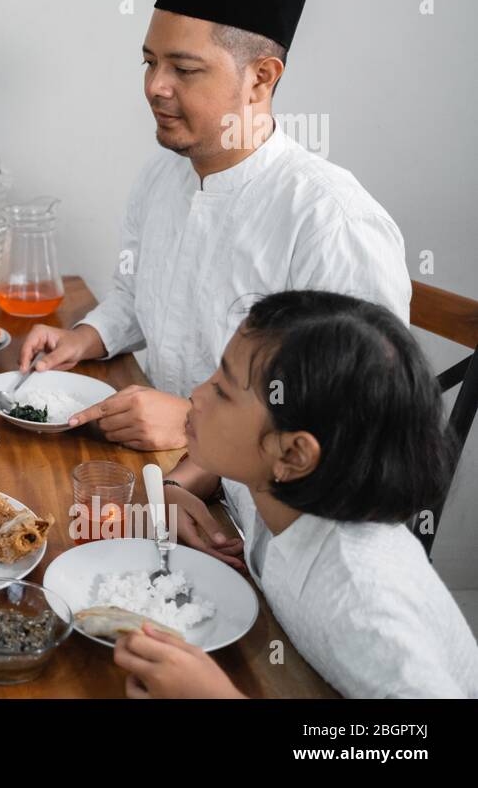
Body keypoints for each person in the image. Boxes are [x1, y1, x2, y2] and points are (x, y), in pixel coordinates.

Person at [18, 0, 410, 470]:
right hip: (168, 472)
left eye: (183, 68)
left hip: (267, 515)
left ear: (261, 79)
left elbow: (364, 423)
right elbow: (139, 295)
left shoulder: (330, 220)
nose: (155, 86)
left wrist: (189, 422)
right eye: (150, 62)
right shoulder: (163, 175)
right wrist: (87, 336)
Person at [113, 290, 477, 698]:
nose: (196, 394)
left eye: (222, 389)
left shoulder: (363, 603)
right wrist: (173, 487)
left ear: (293, 453)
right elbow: (220, 475)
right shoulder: (276, 486)